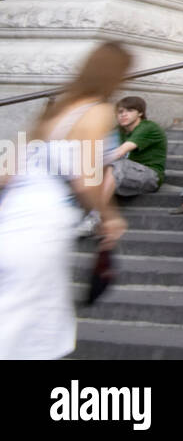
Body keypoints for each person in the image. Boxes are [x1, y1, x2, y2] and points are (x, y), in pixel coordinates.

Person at [0, 42, 131, 359]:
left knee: (27, 314)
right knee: (22, 320)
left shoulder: (54, 111)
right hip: (45, 221)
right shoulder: (97, 112)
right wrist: (109, 217)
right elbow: (86, 179)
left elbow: (7, 172)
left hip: (14, 215)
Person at [104, 95, 166, 198]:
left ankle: (96, 210)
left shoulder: (148, 127)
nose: (123, 115)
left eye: (129, 110)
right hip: (123, 174)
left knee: (114, 163)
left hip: (150, 177)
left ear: (140, 113)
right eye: (120, 112)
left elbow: (120, 152)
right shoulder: (120, 130)